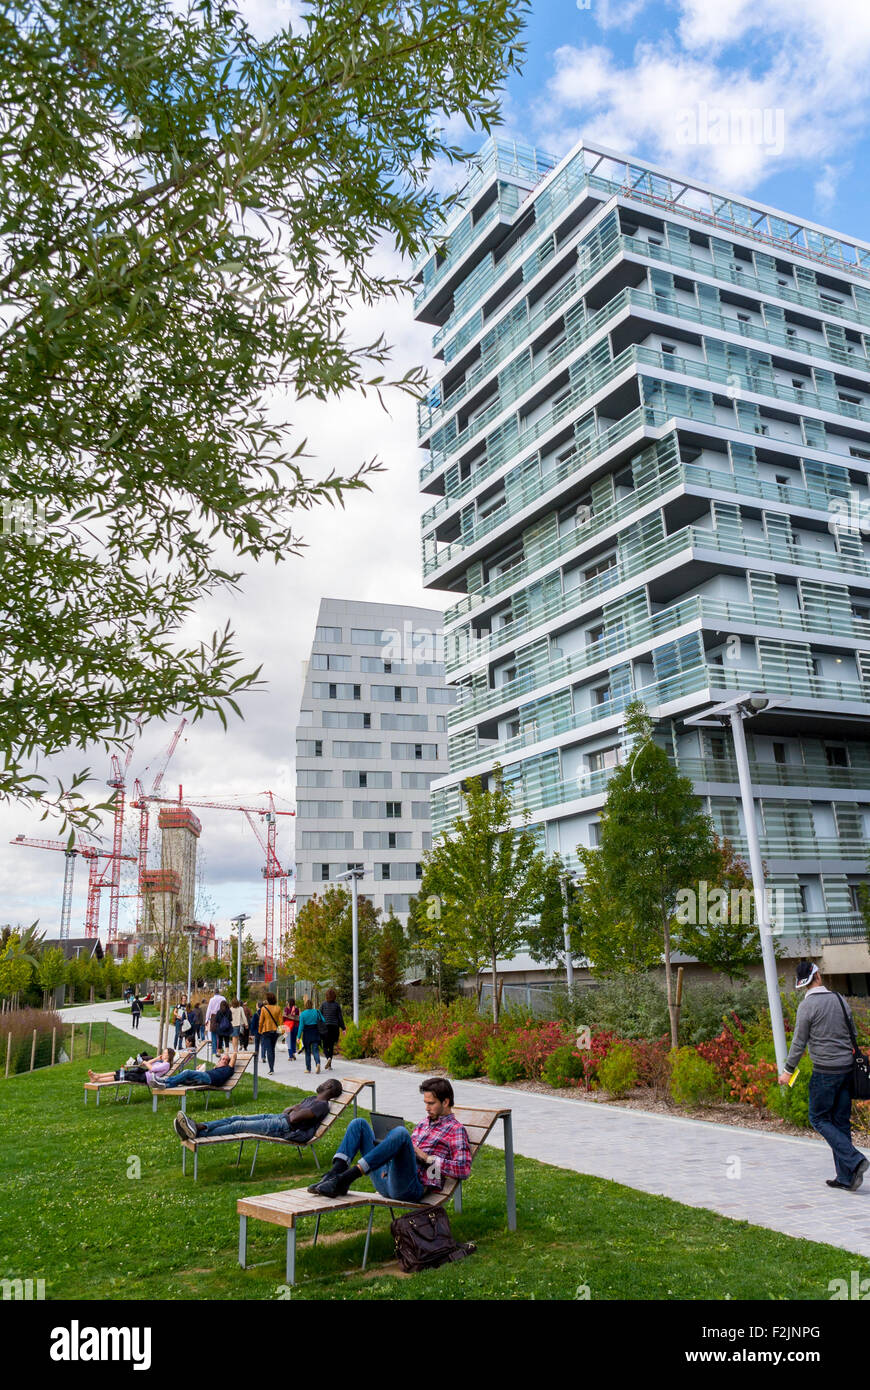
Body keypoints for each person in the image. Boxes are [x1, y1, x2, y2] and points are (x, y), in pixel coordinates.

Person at [779, 959, 870, 1192]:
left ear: (804, 983)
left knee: (818, 1118)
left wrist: (788, 1071)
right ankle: (846, 1177)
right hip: (846, 1071)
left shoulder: (807, 1007)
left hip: (825, 1072)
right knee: (840, 1122)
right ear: (817, 976)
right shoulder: (840, 1000)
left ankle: (855, 1159)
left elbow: (799, 1043)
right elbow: (854, 1033)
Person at [309, 1076, 472, 1201]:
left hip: (411, 1187)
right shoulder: (424, 1123)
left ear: (446, 1101)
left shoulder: (455, 1130)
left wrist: (427, 1158)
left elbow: (463, 1169)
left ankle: (346, 1178)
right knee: (358, 1124)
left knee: (401, 1133)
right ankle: (334, 1175)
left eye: (431, 1103)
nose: (426, 1108)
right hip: (387, 1179)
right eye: (425, 1103)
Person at [173, 1077, 343, 1142]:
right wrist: (294, 1109)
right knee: (235, 1118)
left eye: (325, 1081)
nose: (321, 1083)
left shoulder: (321, 1105)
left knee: (239, 1125)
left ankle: (198, 1133)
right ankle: (198, 1126)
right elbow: (288, 1110)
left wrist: (295, 1109)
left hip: (283, 1126)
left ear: (329, 1086)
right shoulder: (312, 1099)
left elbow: (293, 1118)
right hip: (279, 1118)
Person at [88, 1048, 177, 1086]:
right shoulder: (161, 1062)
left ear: (168, 1055)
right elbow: (148, 1064)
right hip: (144, 1073)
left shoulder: (166, 1065)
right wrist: (157, 1058)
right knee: (121, 1071)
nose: (163, 1053)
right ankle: (98, 1075)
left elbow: (152, 1069)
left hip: (146, 1078)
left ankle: (96, 1079)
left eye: (164, 1052)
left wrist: (145, 1062)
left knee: (122, 1076)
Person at [153, 1049, 235, 1089]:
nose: (224, 1061)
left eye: (226, 1060)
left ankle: (163, 1080)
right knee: (182, 1079)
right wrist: (199, 1069)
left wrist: (227, 1053)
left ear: (229, 1062)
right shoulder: (216, 1068)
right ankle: (165, 1085)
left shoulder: (228, 1069)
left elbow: (234, 1055)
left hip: (210, 1079)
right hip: (206, 1077)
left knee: (187, 1072)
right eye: (223, 1059)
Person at [319, 988, 345, 1070]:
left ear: (326, 996)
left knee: (325, 1046)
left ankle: (328, 1058)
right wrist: (343, 1028)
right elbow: (340, 1018)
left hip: (325, 1027)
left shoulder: (323, 1005)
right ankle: (329, 1065)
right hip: (334, 1027)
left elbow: (319, 1016)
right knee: (331, 1046)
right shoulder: (337, 1005)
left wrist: (318, 1027)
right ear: (334, 996)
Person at [298, 995, 324, 1074]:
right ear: (312, 1005)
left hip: (307, 1034)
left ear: (305, 1005)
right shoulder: (316, 1011)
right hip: (315, 1032)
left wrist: (298, 1037)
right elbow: (323, 1020)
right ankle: (318, 1063)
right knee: (315, 1050)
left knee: (308, 1052)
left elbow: (301, 1026)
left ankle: (308, 1068)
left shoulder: (303, 1014)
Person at [257, 992, 282, 1074]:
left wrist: (259, 1030)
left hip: (266, 1031)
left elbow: (261, 1022)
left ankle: (271, 1069)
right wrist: (282, 1032)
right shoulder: (278, 1008)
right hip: (275, 1031)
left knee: (269, 1050)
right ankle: (272, 1067)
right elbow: (281, 1022)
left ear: (268, 1000)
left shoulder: (264, 1009)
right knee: (272, 1049)